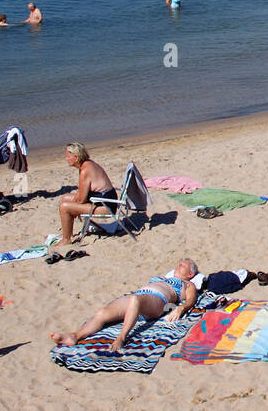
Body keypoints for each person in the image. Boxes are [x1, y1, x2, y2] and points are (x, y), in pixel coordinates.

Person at [50, 259, 201, 354]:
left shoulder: (188, 284)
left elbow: (190, 301)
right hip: (140, 295)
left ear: (190, 274)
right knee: (103, 313)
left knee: (135, 300)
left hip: (157, 300)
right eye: (179, 262)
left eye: (184, 265)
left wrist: (180, 308)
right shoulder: (162, 277)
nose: (179, 264)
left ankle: (121, 337)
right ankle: (75, 336)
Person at [53, 142, 118, 252]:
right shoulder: (87, 164)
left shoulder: (85, 170)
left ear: (76, 157)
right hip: (103, 200)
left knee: (64, 207)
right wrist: (74, 205)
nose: (66, 159)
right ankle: (67, 233)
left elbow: (81, 199)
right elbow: (81, 192)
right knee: (65, 198)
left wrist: (73, 209)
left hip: (105, 207)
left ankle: (66, 239)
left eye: (68, 156)